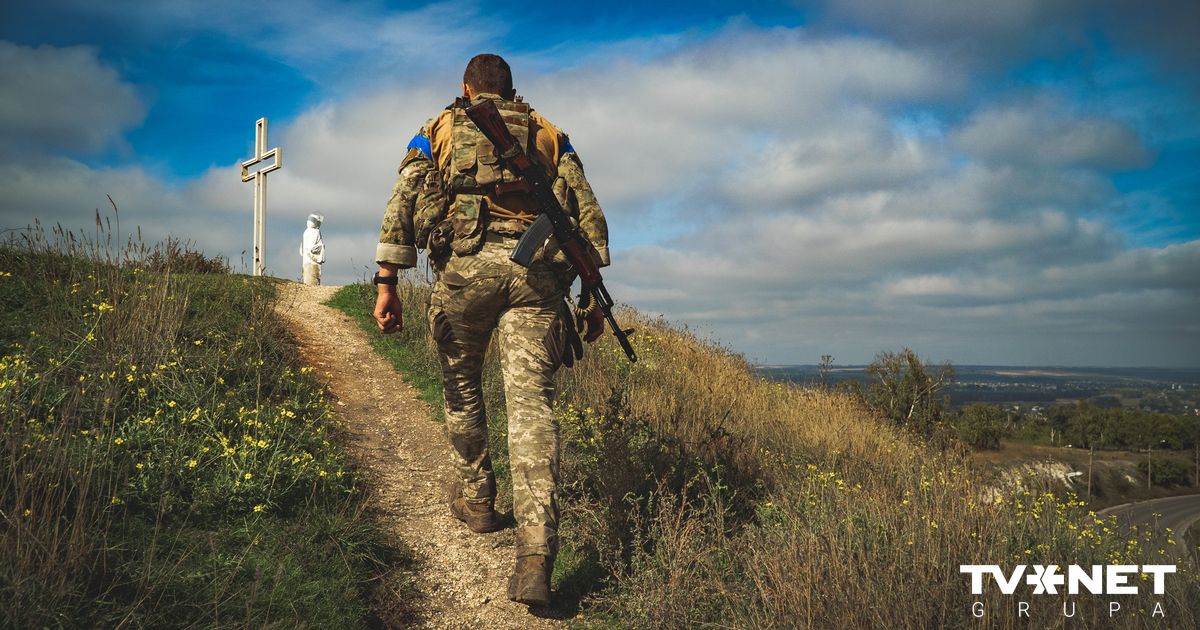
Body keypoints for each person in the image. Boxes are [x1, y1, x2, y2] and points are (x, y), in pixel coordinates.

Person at [371, 53, 609, 609]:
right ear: (512, 89)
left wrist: (387, 282)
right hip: (538, 279)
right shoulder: (551, 135)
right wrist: (589, 294)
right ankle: (535, 555)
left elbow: (401, 201)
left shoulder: (436, 130)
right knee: (531, 409)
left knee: (462, 386)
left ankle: (477, 499)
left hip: (465, 275)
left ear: (465, 87)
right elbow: (589, 215)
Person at [300, 213, 326, 285]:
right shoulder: (315, 232)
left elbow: (302, 249)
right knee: (313, 280)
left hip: (306, 261)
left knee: (307, 279)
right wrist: (321, 246)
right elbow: (312, 248)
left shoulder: (306, 231)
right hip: (313, 261)